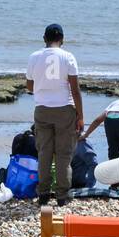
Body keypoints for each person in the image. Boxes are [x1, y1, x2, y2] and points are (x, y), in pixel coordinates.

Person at [25, 23, 84, 206]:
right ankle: (61, 195)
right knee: (63, 155)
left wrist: (44, 89)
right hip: (65, 109)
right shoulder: (68, 57)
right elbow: (75, 90)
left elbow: (29, 86)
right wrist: (80, 116)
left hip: (42, 109)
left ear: (44, 39)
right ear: (62, 40)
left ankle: (43, 193)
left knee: (44, 152)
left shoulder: (34, 57)